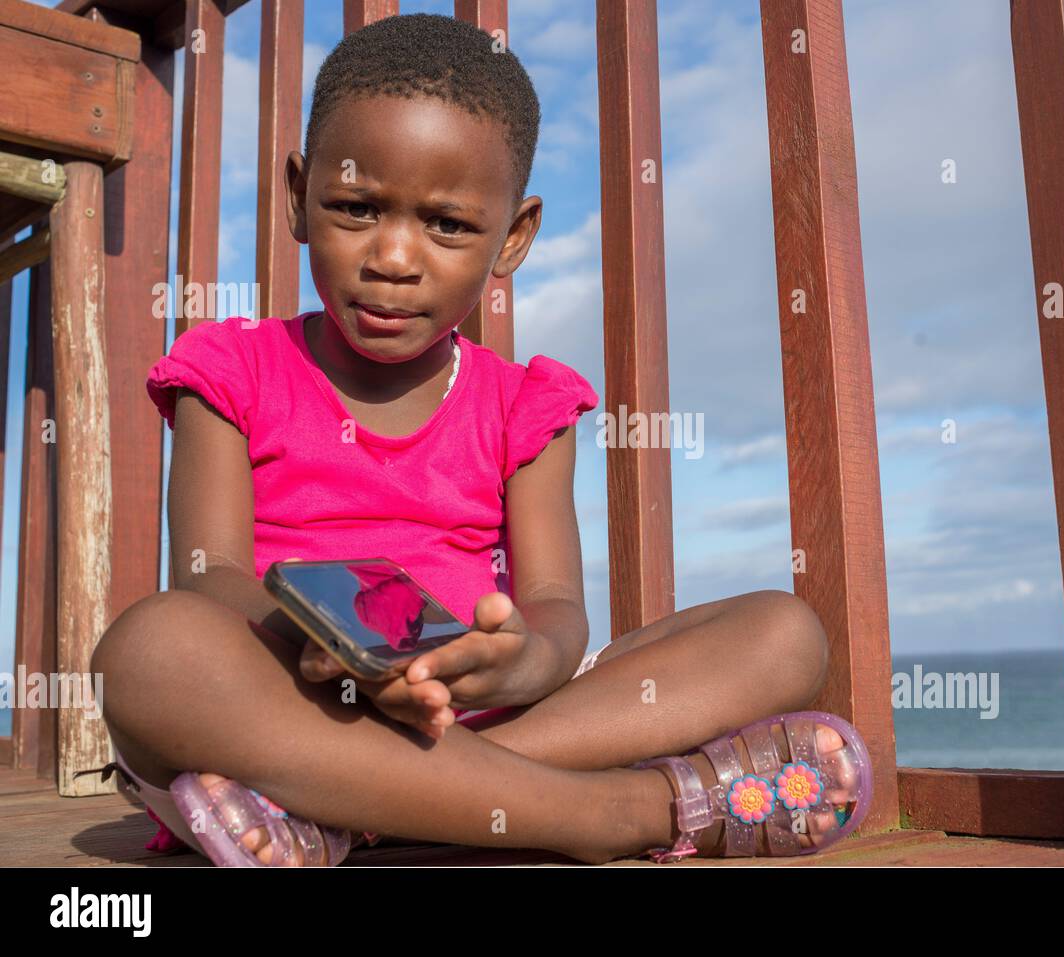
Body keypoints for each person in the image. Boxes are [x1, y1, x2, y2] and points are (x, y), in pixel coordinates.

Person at [91, 12, 870, 866]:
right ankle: (628, 809)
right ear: (297, 197)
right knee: (151, 652)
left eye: (448, 225)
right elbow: (211, 576)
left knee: (784, 632)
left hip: (472, 714)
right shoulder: (231, 370)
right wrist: (312, 640)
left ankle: (365, 809)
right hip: (298, 703)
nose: (393, 255)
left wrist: (522, 662)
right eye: (355, 206)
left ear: (515, 238)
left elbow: (555, 605)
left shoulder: (522, 405)